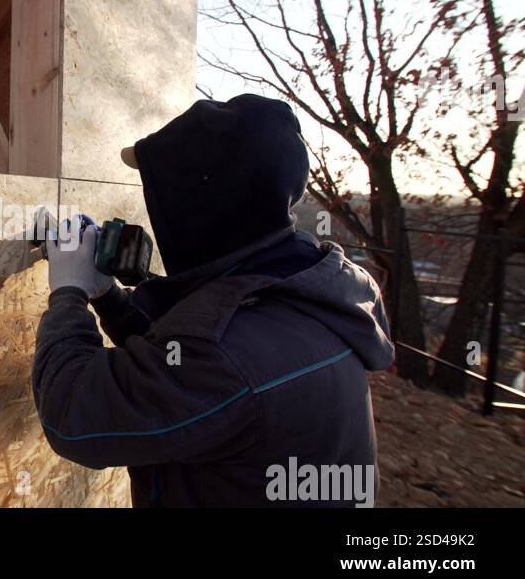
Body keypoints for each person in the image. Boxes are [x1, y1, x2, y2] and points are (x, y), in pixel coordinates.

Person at [31, 94, 395, 507]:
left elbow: (75, 415)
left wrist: (68, 291)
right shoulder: (309, 288)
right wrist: (106, 295)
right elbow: (175, 366)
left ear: (197, 205)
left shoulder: (226, 359)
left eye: (163, 191)